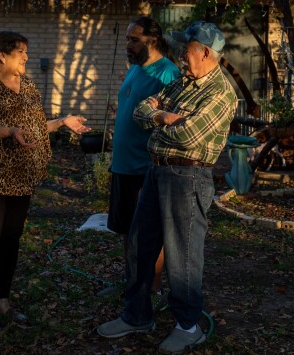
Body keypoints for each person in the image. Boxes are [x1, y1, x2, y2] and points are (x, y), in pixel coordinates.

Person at [97, 21, 238, 354]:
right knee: (139, 245)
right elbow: (142, 110)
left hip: (187, 179)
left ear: (205, 52)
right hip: (156, 172)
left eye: (186, 49)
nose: (180, 54)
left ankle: (188, 327)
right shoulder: (182, 82)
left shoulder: (220, 93)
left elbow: (188, 136)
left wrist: (161, 120)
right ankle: (136, 315)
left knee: (182, 257)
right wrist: (163, 117)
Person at [0, 30, 90, 335]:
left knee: (11, 238)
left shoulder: (28, 86)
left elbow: (32, 127)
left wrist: (61, 122)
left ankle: (1, 299)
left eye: (27, 52)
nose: (26, 57)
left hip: (21, 176)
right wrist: (8, 131)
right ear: (1, 55)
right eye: (21, 52)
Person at [107, 17, 180, 295]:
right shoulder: (136, 69)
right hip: (123, 165)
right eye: (127, 39)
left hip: (145, 167)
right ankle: (132, 284)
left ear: (152, 40)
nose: (128, 45)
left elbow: (172, 121)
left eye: (134, 39)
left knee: (148, 234)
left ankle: (152, 289)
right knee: (127, 230)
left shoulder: (166, 73)